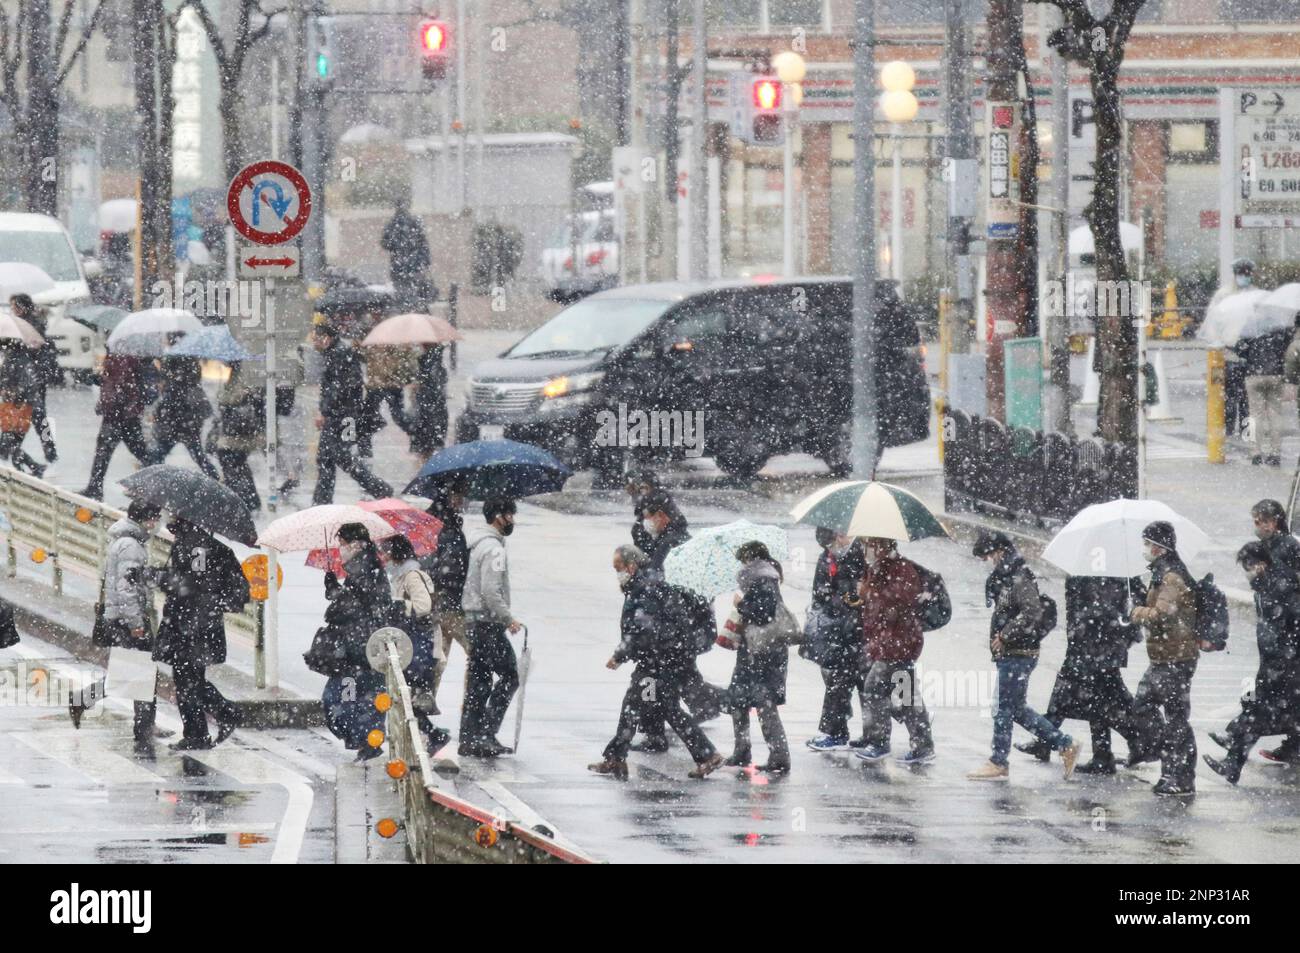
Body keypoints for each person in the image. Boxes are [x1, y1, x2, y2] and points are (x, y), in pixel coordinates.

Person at [588, 545, 724, 781]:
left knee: (643, 705)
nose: (618, 573)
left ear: (631, 566)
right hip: (663, 659)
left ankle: (706, 755)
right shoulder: (649, 585)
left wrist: (620, 655)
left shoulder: (645, 590)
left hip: (657, 662)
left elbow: (642, 629)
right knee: (653, 706)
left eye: (619, 568)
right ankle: (617, 757)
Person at [1015, 576, 1158, 774]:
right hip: (1093, 643)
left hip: (1095, 644)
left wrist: (1115, 624)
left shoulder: (1102, 568)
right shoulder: (1097, 567)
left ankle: (1138, 741)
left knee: (1072, 692)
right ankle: (1110, 752)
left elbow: (1124, 602)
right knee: (1097, 699)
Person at [967, 530, 1080, 781]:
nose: (986, 561)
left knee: (1003, 709)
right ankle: (1065, 744)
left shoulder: (1019, 576)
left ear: (999, 552)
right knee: (1014, 708)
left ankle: (998, 761)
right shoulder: (1007, 576)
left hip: (1019, 653)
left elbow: (1032, 611)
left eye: (987, 555)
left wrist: (1005, 634)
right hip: (1012, 652)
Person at [1204, 542, 1300, 785]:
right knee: (1261, 712)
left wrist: (1281, 662)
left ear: (1260, 564)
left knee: (1257, 713)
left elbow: (1287, 627)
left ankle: (1233, 757)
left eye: (1247, 567)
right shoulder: (1267, 584)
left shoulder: (1281, 586)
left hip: (1284, 667)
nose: (1246, 572)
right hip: (1276, 665)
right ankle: (1233, 750)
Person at [153, 516, 248, 749]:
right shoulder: (219, 549)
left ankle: (202, 730)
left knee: (185, 680)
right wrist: (216, 602)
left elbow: (179, 584)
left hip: (183, 624)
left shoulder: (183, 546)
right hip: (206, 626)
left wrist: (153, 576)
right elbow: (241, 591)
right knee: (192, 678)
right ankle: (218, 718)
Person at [1129, 521, 1205, 797]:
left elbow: (1164, 613)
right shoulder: (1161, 573)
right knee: (1145, 707)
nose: (1145, 549)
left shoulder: (1171, 576)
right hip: (1163, 657)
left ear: (1160, 548)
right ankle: (1169, 765)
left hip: (1176, 658)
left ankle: (1178, 777)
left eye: (1148, 543)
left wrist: (1136, 611)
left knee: (1175, 719)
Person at [853, 537, 936, 765]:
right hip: (888, 642)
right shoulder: (878, 569)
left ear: (882, 546)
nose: (867, 549)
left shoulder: (901, 569)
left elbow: (900, 603)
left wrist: (870, 592)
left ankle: (879, 742)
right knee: (908, 695)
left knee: (873, 687)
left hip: (898, 643)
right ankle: (923, 745)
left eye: (870, 545)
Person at [320, 523, 394, 759]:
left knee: (341, 699)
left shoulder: (364, 569)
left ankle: (367, 741)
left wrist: (334, 591)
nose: (340, 549)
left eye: (342, 544)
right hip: (364, 648)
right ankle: (367, 742)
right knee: (361, 700)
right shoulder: (365, 568)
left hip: (360, 650)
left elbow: (353, 607)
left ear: (356, 544)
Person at [459, 497, 524, 757]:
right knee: (510, 676)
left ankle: (469, 737)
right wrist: (508, 618)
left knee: (479, 680)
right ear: (499, 516)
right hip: (487, 623)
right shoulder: (494, 549)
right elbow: (490, 590)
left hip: (474, 621)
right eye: (510, 515)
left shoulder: (477, 544)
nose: (512, 521)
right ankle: (485, 732)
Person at [98, 500, 163, 757]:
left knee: (134, 669)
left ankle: (145, 724)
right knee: (144, 671)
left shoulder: (125, 541)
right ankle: (145, 726)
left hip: (120, 616)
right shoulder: (131, 547)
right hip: (129, 618)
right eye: (154, 518)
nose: (156, 524)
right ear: (146, 519)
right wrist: (137, 623)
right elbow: (127, 589)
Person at [722, 541, 791, 775]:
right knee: (740, 700)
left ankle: (778, 756)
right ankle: (742, 750)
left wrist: (742, 605)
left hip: (763, 651)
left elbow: (764, 611)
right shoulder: (764, 576)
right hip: (755, 650)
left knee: (764, 704)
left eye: (743, 561)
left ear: (750, 560)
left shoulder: (763, 578)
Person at [310, 323, 393, 505]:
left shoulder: (339, 354)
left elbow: (340, 388)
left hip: (344, 416)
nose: (314, 341)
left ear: (327, 337)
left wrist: (325, 411)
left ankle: (378, 488)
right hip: (340, 414)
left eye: (317, 337)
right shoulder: (335, 353)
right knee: (327, 457)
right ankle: (322, 501)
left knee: (341, 456)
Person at [804, 529, 869, 751]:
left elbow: (870, 591)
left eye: (833, 542)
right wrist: (839, 601)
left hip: (863, 632)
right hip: (839, 633)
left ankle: (910, 719)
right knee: (839, 684)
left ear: (842, 535)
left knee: (871, 685)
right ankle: (836, 732)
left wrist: (857, 599)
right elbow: (820, 593)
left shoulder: (863, 554)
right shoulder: (827, 559)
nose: (832, 548)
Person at [1248, 499, 1300, 764]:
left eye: (1263, 521)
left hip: (1285, 634)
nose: (1259, 526)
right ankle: (1293, 744)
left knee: (1272, 691)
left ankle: (1240, 735)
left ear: (1275, 521)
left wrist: (1264, 575)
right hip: (1273, 634)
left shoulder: (1288, 546)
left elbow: (1285, 587)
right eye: (1256, 521)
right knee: (1284, 694)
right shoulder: (1268, 546)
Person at [81, 352, 154, 500]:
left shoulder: (122, 354)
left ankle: (95, 488)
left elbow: (121, 383)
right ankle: (95, 487)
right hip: (123, 414)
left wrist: (109, 400)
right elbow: (117, 380)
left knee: (105, 451)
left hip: (119, 414)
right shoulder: (124, 354)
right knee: (138, 452)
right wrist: (100, 379)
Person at [424, 479, 470, 712]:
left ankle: (424, 706)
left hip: (440, 603)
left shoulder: (435, 523)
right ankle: (470, 710)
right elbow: (446, 566)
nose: (462, 500)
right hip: (449, 604)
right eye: (458, 494)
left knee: (436, 658)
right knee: (477, 654)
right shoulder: (447, 528)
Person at [1234, 311, 1290, 466]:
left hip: (1254, 374)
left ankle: (1256, 452)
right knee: (1275, 414)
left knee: (1255, 415)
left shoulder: (1251, 325)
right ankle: (1275, 453)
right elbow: (1287, 348)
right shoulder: (1280, 326)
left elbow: (1239, 349)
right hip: (1275, 374)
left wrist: (1250, 353)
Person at [151, 355, 219, 479]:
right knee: (198, 455)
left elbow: (166, 405)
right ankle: (215, 477)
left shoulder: (175, 381)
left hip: (176, 424)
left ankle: (152, 480)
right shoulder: (191, 374)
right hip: (188, 424)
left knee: (159, 454)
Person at [10, 294, 59, 462]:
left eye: (15, 307)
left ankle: (10, 450)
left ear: (23, 308)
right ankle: (11, 449)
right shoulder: (19, 328)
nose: (13, 310)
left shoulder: (30, 329)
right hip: (27, 381)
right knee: (28, 418)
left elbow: (37, 356)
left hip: (31, 381)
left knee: (33, 417)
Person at [1212, 258, 1257, 438]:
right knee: (1231, 395)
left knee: (1248, 398)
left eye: (1247, 273)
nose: (1244, 277)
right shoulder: (1224, 295)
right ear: (1235, 274)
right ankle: (1229, 430)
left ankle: (1246, 432)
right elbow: (1214, 322)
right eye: (1241, 273)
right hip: (1229, 352)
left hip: (1251, 353)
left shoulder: (1255, 295)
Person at [214, 361, 264, 512]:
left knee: (231, 462)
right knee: (237, 465)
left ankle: (238, 502)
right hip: (237, 430)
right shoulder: (238, 371)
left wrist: (223, 397)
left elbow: (232, 398)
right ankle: (250, 501)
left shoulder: (244, 372)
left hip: (239, 431)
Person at [0, 338, 45, 476]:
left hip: (19, 408)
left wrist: (11, 392)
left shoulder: (16, 361)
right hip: (17, 407)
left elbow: (26, 386)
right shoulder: (15, 359)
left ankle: (33, 467)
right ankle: (29, 469)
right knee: (10, 444)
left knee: (8, 444)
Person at [381, 199, 435, 307]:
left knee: (404, 297)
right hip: (410, 267)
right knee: (412, 297)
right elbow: (423, 245)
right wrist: (424, 263)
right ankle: (413, 311)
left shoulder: (394, 224)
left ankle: (408, 311)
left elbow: (385, 243)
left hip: (403, 267)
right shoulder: (411, 223)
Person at [363, 344, 416, 439]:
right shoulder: (371, 350)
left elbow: (403, 369)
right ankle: (374, 428)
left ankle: (413, 430)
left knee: (398, 414)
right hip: (376, 386)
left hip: (392, 387)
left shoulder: (396, 352)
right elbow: (363, 358)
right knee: (367, 414)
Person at [409, 344, 449, 456]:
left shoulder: (429, 360)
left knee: (427, 439)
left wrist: (419, 383)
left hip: (428, 402)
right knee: (433, 432)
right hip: (434, 403)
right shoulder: (435, 360)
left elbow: (430, 380)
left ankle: (427, 452)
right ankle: (431, 447)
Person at [639, 488, 690, 572]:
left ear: (661, 516)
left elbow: (654, 574)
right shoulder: (677, 536)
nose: (646, 522)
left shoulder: (667, 544)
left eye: (648, 517)